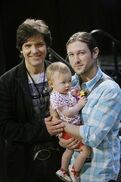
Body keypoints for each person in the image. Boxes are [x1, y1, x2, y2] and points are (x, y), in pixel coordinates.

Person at [45, 32, 121, 182]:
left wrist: (61, 125)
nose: (76, 60)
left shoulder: (110, 90)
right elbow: (54, 101)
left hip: (100, 174)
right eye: (71, 55)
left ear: (95, 52)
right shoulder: (71, 82)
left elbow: (92, 136)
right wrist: (61, 135)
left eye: (81, 53)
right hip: (76, 173)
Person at [0, 18, 64, 182]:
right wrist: (44, 130)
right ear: (20, 49)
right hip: (23, 165)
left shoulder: (64, 74)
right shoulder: (6, 82)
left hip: (60, 159)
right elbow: (5, 127)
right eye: (28, 45)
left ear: (47, 46)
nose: (34, 50)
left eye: (39, 44)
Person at [46, 62, 91, 182]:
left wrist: (75, 95)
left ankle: (63, 169)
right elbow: (67, 113)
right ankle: (75, 170)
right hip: (70, 128)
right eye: (63, 82)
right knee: (86, 150)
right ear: (51, 84)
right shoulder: (56, 97)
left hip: (72, 126)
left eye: (69, 81)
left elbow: (71, 97)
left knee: (69, 150)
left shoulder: (64, 92)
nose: (67, 85)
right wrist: (80, 104)